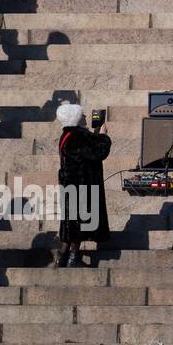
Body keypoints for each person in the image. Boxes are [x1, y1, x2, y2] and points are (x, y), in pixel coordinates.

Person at [54, 102, 111, 267]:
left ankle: (62, 257)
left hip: (69, 183)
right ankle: (73, 257)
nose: (86, 117)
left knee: (70, 222)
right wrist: (103, 135)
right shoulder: (80, 135)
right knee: (80, 222)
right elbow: (98, 152)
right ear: (76, 118)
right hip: (83, 184)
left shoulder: (66, 135)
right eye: (82, 115)